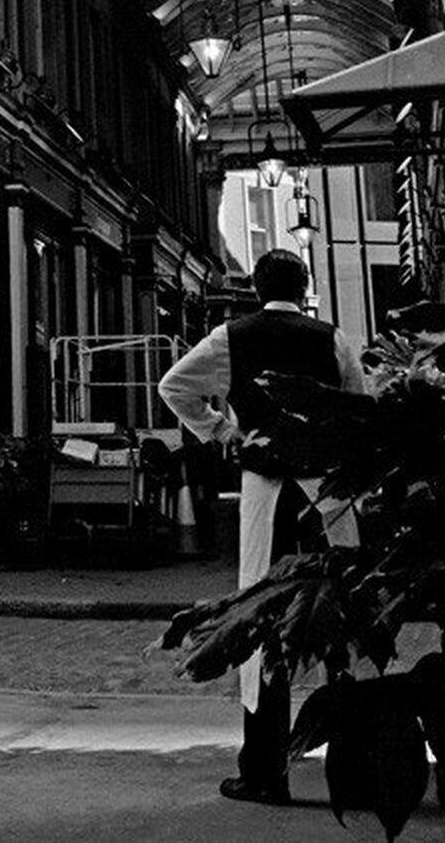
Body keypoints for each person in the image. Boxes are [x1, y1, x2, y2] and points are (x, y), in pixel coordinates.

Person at [158, 247, 365, 807]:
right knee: (340, 618)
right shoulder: (332, 337)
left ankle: (265, 773)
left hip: (267, 491)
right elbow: (359, 409)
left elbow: (173, 386)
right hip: (327, 495)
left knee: (261, 619)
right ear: (305, 288)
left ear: (254, 287)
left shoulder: (233, 336)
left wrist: (225, 433)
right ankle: (356, 769)